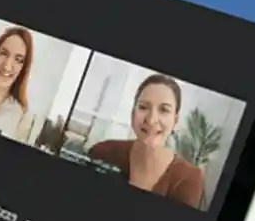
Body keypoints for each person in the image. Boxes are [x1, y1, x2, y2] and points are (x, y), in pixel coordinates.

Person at [87, 73, 204, 207]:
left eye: (164, 110)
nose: (151, 119)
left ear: (175, 121)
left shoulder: (189, 178)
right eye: (143, 107)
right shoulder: (103, 152)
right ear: (133, 114)